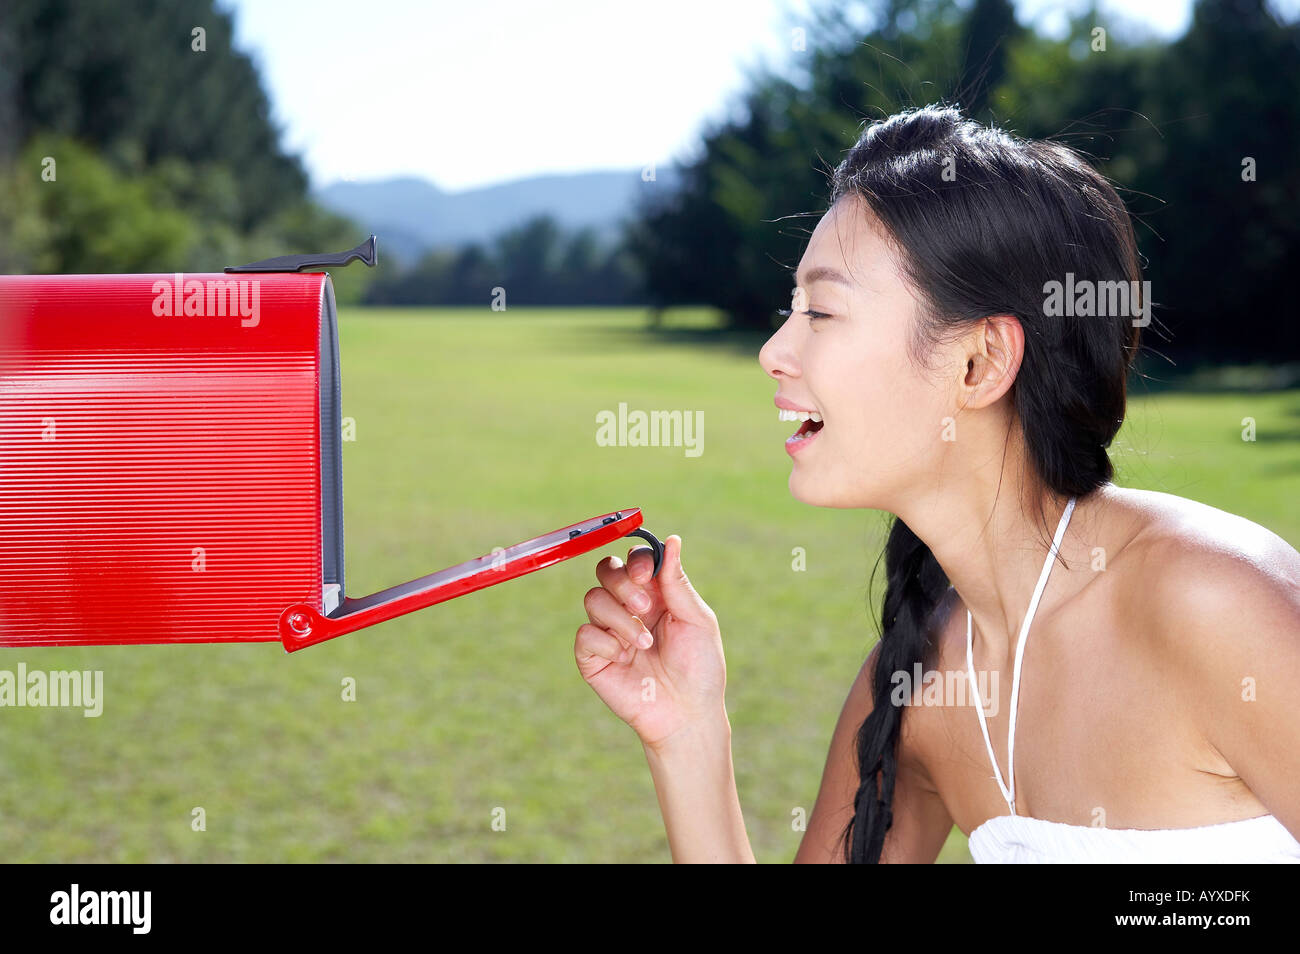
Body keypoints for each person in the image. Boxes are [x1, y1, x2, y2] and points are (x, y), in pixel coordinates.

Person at [573, 104, 1300, 863]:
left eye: (821, 310)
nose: (773, 351)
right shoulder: (915, 681)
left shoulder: (1214, 603)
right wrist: (687, 731)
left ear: (980, 363)